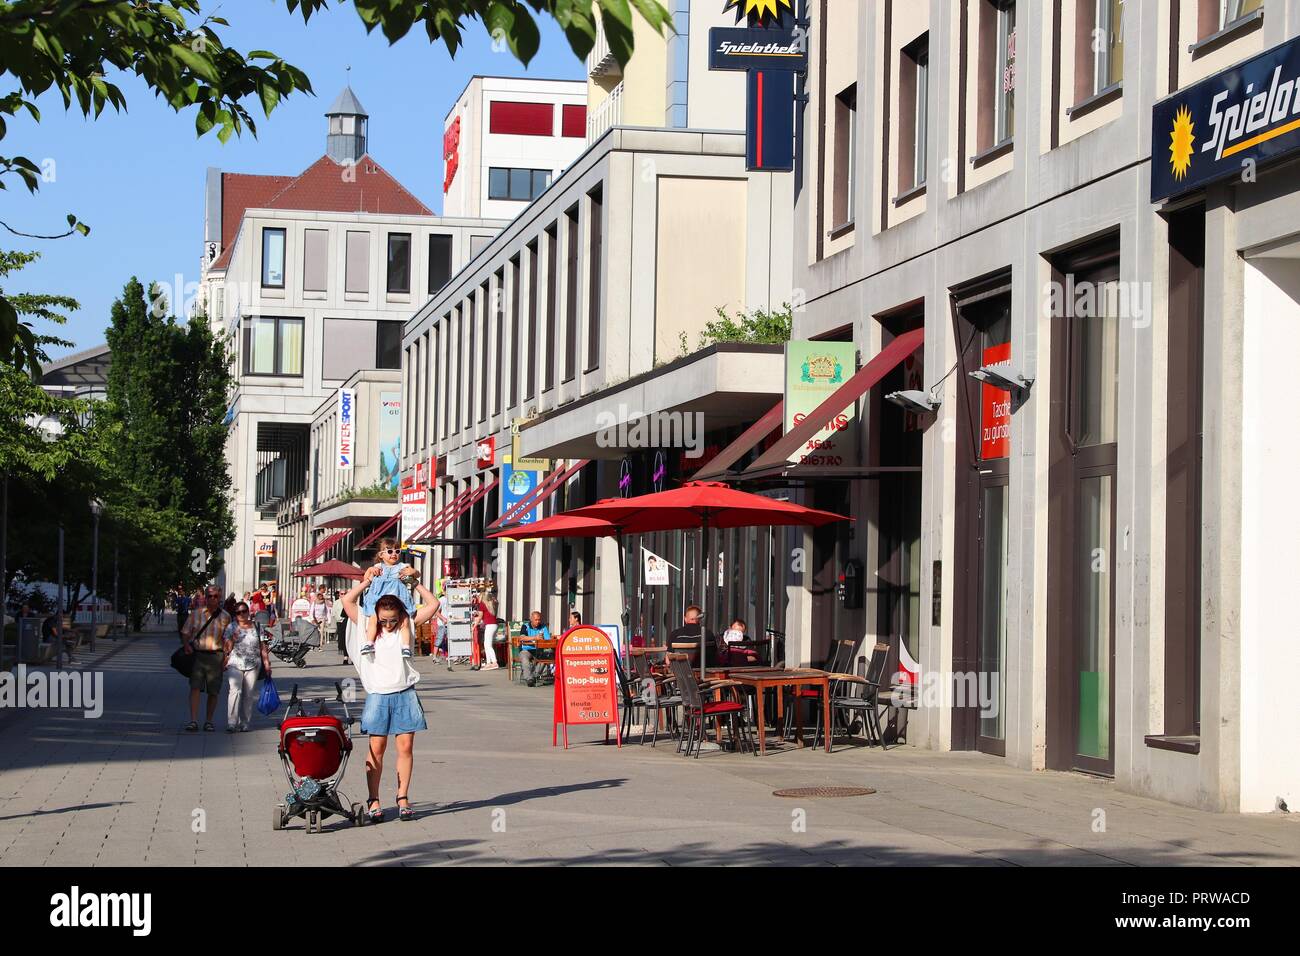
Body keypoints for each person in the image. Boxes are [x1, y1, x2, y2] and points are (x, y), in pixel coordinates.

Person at [341, 569, 441, 822]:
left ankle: (402, 798)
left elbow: (434, 604)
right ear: (376, 616)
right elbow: (347, 601)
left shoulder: (406, 625)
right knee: (377, 748)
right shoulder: (366, 626)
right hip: (378, 695)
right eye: (383, 620)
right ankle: (374, 799)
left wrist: (414, 583)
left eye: (392, 620)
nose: (387, 624)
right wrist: (367, 581)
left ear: (400, 617)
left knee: (405, 746)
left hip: (405, 693)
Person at [182, 586, 233, 732]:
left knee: (213, 690)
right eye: (210, 596)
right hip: (198, 654)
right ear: (205, 597)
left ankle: (209, 721)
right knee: (195, 687)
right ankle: (193, 721)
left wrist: (227, 656)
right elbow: (186, 631)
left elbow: (228, 639)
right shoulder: (196, 614)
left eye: (215, 596)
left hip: (216, 656)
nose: (212, 599)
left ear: (220, 597)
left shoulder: (225, 616)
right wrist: (186, 644)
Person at [359, 539, 419, 658]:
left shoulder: (403, 566)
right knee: (373, 619)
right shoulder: (377, 567)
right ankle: (369, 643)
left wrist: (413, 571)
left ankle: (406, 647)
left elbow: (416, 574)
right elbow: (366, 579)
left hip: (398, 600)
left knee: (404, 621)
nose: (394, 554)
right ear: (381, 555)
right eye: (390, 551)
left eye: (397, 551)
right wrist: (370, 570)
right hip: (379, 601)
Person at [222, 601, 271, 732]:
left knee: (249, 694)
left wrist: (266, 663)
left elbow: (262, 646)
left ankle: (244, 723)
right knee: (235, 691)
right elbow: (226, 649)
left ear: (248, 612)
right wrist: (233, 638)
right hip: (235, 662)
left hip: (253, 664)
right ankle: (232, 723)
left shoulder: (257, 626)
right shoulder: (231, 627)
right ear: (235, 614)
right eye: (238, 612)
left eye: (244, 611)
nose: (242, 614)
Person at [518, 610, 552, 687]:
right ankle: (529, 679)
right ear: (531, 619)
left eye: (539, 620)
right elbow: (522, 638)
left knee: (546, 658)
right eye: (536, 620)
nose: (538, 622)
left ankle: (534, 676)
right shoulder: (525, 626)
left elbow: (548, 640)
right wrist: (535, 637)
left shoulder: (543, 627)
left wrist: (543, 639)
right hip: (526, 649)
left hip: (539, 649)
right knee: (524, 658)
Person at [471, 590, 500, 671]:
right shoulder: (490, 604)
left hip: (490, 625)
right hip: (494, 624)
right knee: (487, 644)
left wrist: (474, 626)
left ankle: (494, 662)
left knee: (487, 645)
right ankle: (488, 663)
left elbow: (480, 617)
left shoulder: (481, 604)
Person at [331, 588, 350, 664]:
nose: (343, 595)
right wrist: (339, 619)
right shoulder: (336, 602)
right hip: (340, 622)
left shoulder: (349, 601)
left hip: (348, 622)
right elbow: (334, 613)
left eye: (344, 593)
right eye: (341, 594)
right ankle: (345, 657)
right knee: (342, 639)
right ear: (339, 595)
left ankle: (348, 657)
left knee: (348, 639)